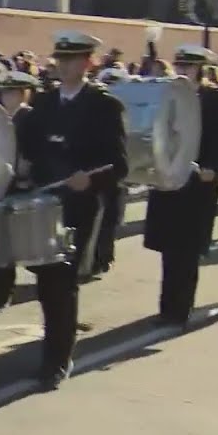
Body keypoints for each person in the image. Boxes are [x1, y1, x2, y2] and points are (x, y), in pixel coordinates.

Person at [17, 30, 128, 387]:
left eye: (72, 60)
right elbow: (31, 147)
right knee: (47, 280)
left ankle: (57, 360)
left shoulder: (104, 105)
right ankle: (55, 345)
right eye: (60, 60)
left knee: (63, 283)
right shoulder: (45, 103)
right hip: (45, 203)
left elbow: (119, 164)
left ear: (88, 62)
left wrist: (91, 180)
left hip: (79, 205)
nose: (64, 66)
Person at [143, 46, 218, 328]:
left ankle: (179, 309)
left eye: (188, 66)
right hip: (170, 180)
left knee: (187, 249)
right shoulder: (167, 94)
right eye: (179, 65)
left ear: (200, 69)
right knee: (169, 249)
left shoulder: (213, 99)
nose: (182, 70)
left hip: (197, 184)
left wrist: (214, 170)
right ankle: (166, 306)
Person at [0, 70, 41, 308]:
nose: (8, 97)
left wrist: (29, 167)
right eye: (5, 92)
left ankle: (41, 282)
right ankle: (1, 289)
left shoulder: (31, 118)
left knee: (28, 240)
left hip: (22, 186)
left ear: (23, 94)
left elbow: (38, 151)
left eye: (13, 92)